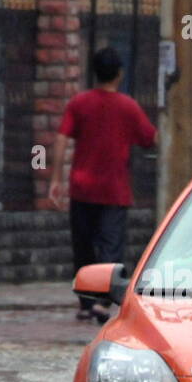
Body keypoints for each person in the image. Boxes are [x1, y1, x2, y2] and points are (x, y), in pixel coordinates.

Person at [48, 47, 157, 323]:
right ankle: (103, 303)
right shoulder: (128, 106)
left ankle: (86, 301)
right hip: (114, 190)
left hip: (82, 187)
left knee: (83, 246)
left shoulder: (79, 103)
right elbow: (150, 138)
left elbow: (61, 138)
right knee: (110, 248)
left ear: (94, 72)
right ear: (120, 74)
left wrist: (55, 178)